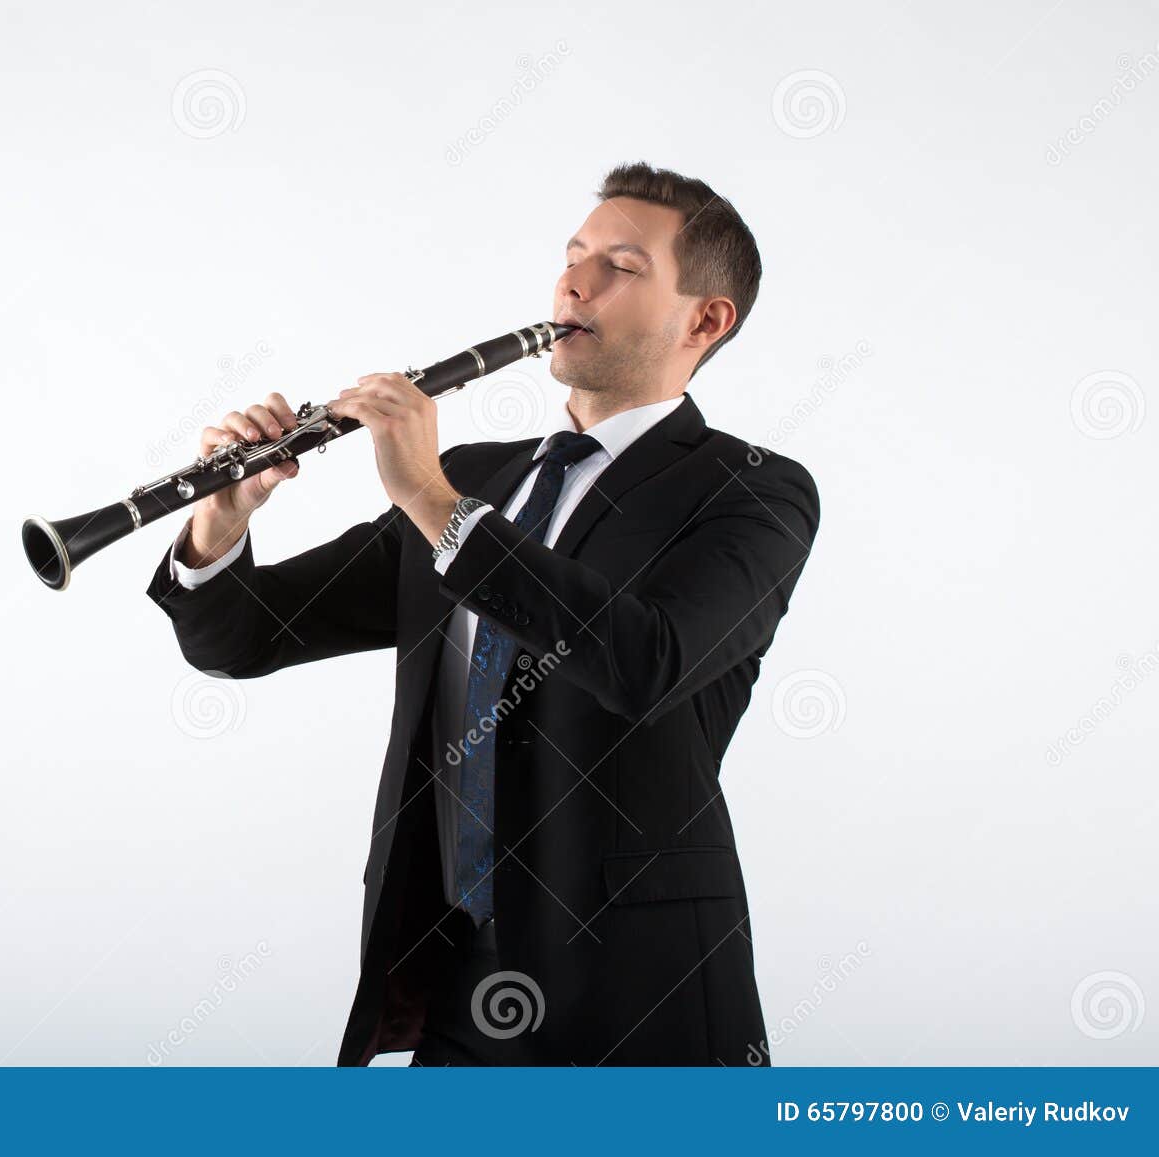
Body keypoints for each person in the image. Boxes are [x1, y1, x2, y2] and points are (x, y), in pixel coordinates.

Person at [146, 161, 820, 1065]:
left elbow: (643, 662)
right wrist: (220, 519)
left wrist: (432, 498)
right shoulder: (479, 474)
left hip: (638, 988)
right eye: (572, 256)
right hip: (454, 978)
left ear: (704, 318)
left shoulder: (754, 492)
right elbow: (248, 639)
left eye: (621, 265)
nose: (574, 282)